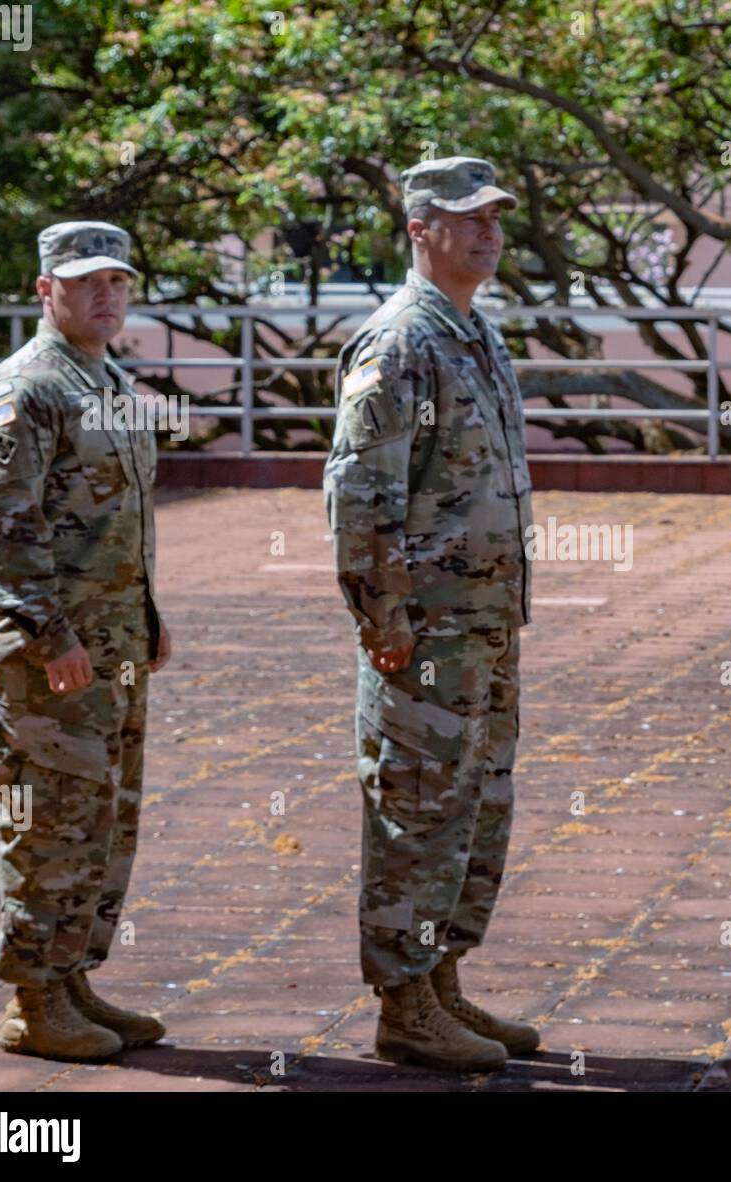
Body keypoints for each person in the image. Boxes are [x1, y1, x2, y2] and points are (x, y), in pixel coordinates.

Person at [324, 157, 538, 1073]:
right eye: (466, 218)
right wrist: (385, 619)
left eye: (495, 217)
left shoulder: (473, 332)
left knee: (474, 810)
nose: (487, 231)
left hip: (482, 628)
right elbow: (360, 495)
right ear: (419, 229)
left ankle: (441, 977)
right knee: (417, 812)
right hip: (425, 633)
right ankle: (404, 1004)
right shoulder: (400, 340)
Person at [0, 221, 171, 1061]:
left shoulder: (107, 377)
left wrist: (148, 621)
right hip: (51, 656)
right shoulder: (28, 388)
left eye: (117, 281)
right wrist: (51, 636)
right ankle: (34, 1001)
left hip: (112, 644)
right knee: (50, 823)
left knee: (104, 821)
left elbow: (121, 521)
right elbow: (3, 530)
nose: (105, 295)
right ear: (46, 288)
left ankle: (75, 978)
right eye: (86, 282)